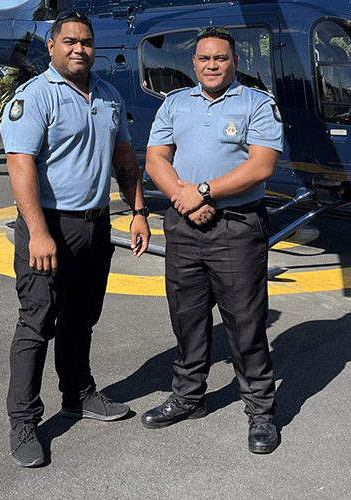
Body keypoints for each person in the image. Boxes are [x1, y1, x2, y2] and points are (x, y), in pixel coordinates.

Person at [0, 11, 151, 468]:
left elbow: (124, 156)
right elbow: (19, 164)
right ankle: (23, 421)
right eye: (69, 41)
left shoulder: (106, 96)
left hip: (96, 224)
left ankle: (78, 395)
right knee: (37, 323)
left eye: (86, 42)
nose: (79, 49)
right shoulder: (35, 97)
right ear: (52, 46)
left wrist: (139, 211)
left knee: (82, 317)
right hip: (49, 226)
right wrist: (39, 234)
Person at [142, 27, 284, 454]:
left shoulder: (258, 104)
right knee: (186, 317)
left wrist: (203, 191)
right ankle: (189, 397)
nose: (211, 65)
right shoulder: (175, 104)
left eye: (220, 58)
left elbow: (261, 167)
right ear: (194, 63)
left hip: (236, 226)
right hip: (184, 224)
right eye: (204, 58)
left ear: (235, 61)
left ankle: (260, 412)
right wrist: (184, 199)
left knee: (244, 322)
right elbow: (155, 158)